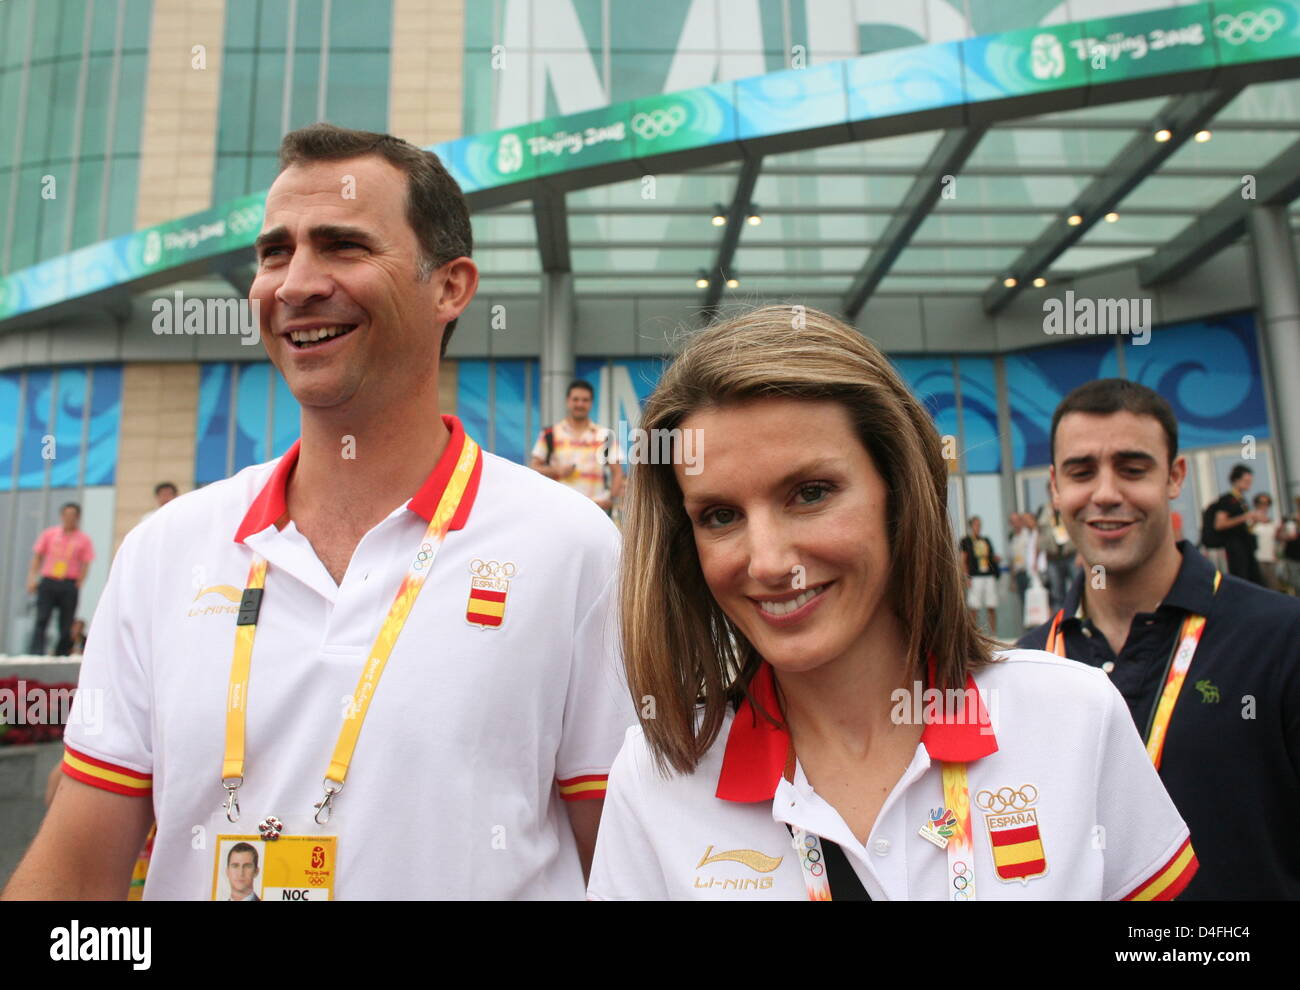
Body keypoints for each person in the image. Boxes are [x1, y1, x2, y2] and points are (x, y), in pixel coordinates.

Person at [3, 123, 630, 901]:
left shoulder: (573, 548)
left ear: (450, 288)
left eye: (343, 246)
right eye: (275, 252)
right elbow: (74, 873)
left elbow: (621, 864)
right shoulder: (165, 551)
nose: (294, 284)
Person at [588, 306, 1195, 901]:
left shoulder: (1071, 715)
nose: (768, 562)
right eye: (720, 516)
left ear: (900, 493)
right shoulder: (655, 777)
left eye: (810, 493)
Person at [1018, 379, 1300, 899]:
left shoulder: (1283, 639)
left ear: (1174, 476)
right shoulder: (1024, 667)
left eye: (1132, 469)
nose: (1106, 493)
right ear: (1055, 487)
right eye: (1082, 472)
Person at [531, 379, 625, 514]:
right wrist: (557, 470)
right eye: (575, 399)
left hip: (595, 509)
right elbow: (534, 467)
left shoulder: (605, 435)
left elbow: (617, 472)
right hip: (559, 508)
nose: (580, 404)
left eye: (585, 400)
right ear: (567, 401)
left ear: (591, 403)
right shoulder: (550, 433)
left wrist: (611, 499)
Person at [26, 503, 95, 656]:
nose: (69, 518)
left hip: (69, 583)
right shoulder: (49, 534)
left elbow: (86, 563)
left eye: (73, 515)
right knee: (42, 617)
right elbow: (37, 557)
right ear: (62, 516)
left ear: (78, 517)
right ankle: (36, 653)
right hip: (48, 581)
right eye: (66, 515)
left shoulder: (83, 539)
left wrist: (80, 582)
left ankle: (61, 653)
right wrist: (32, 578)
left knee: (66, 622)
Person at [1211, 465, 1265, 586]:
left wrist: (1254, 519)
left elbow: (1244, 525)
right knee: (1242, 580)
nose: (1249, 484)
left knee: (1255, 580)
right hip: (1236, 548)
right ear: (1236, 480)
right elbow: (1219, 524)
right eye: (1246, 481)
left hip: (1247, 545)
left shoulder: (1241, 500)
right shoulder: (1227, 499)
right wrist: (1245, 517)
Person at [1037, 486, 1076, 611]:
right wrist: (1036, 558)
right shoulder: (1044, 510)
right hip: (1052, 557)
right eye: (1050, 490)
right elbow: (1040, 535)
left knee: (1077, 589)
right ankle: (1060, 620)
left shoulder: (1069, 507)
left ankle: (1080, 617)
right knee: (1057, 593)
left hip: (1070, 555)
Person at [959, 516, 999, 634]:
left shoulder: (986, 540)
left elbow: (991, 556)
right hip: (975, 577)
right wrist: (966, 577)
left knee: (991, 605)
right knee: (974, 606)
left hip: (988, 575)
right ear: (971, 526)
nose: (978, 527)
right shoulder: (966, 541)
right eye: (976, 525)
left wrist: (995, 560)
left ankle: (993, 634)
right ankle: (974, 634)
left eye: (979, 525)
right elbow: (963, 560)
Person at [1251, 493, 1278, 590]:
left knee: (1273, 586)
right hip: (1257, 558)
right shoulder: (1250, 520)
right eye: (1261, 503)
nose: (1264, 506)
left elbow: (1276, 539)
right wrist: (1255, 520)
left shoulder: (1272, 522)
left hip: (1270, 558)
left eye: (1267, 503)